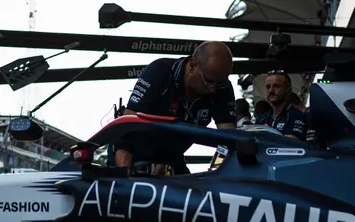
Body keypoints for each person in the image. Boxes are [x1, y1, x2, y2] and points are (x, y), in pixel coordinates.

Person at [115, 41, 238, 172]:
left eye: (220, 83)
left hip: (171, 157)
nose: (213, 89)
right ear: (192, 65)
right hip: (134, 155)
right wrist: (124, 175)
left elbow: (228, 139)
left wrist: (220, 174)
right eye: (208, 81)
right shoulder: (159, 72)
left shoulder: (222, 88)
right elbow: (127, 127)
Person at [257, 71, 309, 140]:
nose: (271, 90)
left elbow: (291, 143)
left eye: (276, 86)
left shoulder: (297, 116)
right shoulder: (261, 119)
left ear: (288, 90)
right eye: (268, 87)